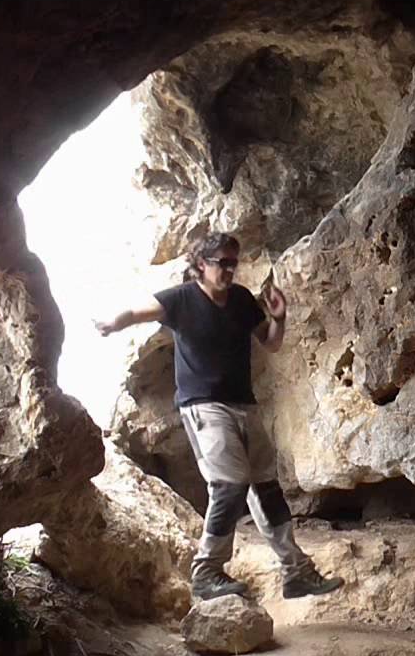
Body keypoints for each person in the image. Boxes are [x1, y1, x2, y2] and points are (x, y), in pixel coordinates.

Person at [95, 232, 343, 601]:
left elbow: (271, 342)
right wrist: (113, 323)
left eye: (232, 262)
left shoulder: (241, 300)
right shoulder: (181, 300)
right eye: (221, 263)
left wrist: (280, 317)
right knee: (229, 484)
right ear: (200, 265)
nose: (229, 269)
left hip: (243, 403)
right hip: (204, 405)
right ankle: (207, 571)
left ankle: (296, 573)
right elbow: (138, 312)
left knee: (267, 485)